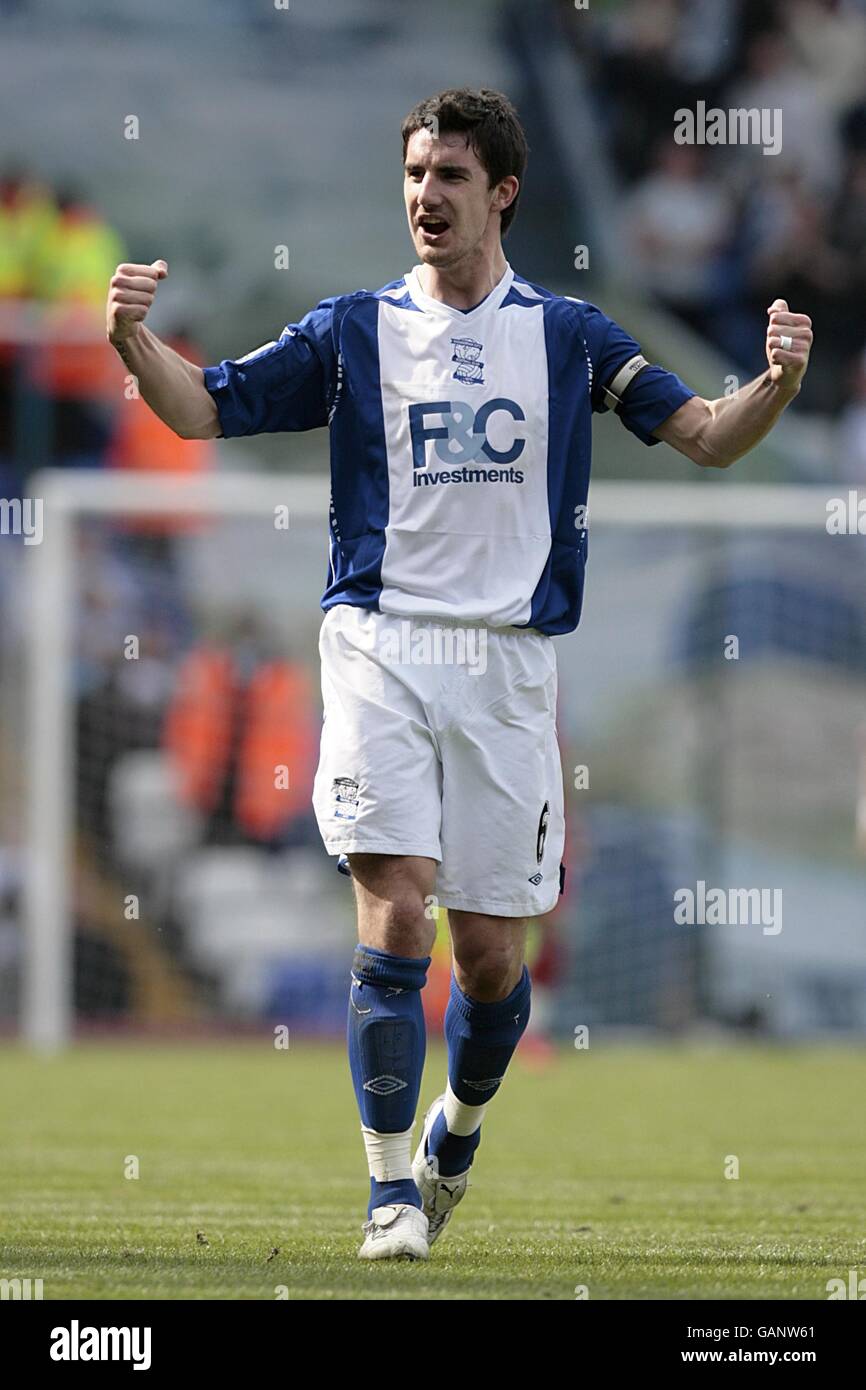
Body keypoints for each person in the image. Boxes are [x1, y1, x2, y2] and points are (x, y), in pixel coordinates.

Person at [104, 87, 813, 1262]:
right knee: (395, 915)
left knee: (488, 959)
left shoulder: (571, 336)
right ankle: (388, 1194)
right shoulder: (349, 330)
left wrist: (777, 385)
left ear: (502, 193)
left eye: (448, 177)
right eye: (414, 175)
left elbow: (704, 435)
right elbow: (199, 411)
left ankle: (454, 1135)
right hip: (379, 645)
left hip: (508, 671)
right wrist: (136, 340)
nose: (425, 196)